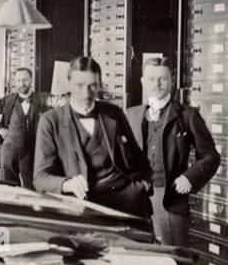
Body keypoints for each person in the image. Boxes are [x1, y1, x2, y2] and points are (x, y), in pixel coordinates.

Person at [33, 55, 152, 219]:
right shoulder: (50, 121)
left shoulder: (114, 113)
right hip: (83, 208)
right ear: (68, 83)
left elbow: (139, 157)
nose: (86, 93)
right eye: (79, 85)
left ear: (100, 85)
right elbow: (40, 178)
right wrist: (67, 184)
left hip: (129, 203)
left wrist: (144, 185)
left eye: (92, 86)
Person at [125, 57, 220, 247]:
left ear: (172, 81)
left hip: (169, 201)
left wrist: (189, 178)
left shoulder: (187, 115)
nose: (157, 84)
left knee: (174, 257)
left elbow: (210, 156)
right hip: (136, 200)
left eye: (162, 79)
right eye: (151, 79)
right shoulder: (131, 114)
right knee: (138, 256)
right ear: (143, 81)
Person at [0, 67, 50, 188]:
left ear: (31, 80)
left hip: (32, 151)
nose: (22, 84)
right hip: (9, 150)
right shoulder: (9, 100)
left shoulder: (42, 98)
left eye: (25, 80)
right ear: (15, 82)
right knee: (8, 188)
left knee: (33, 188)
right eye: (18, 80)